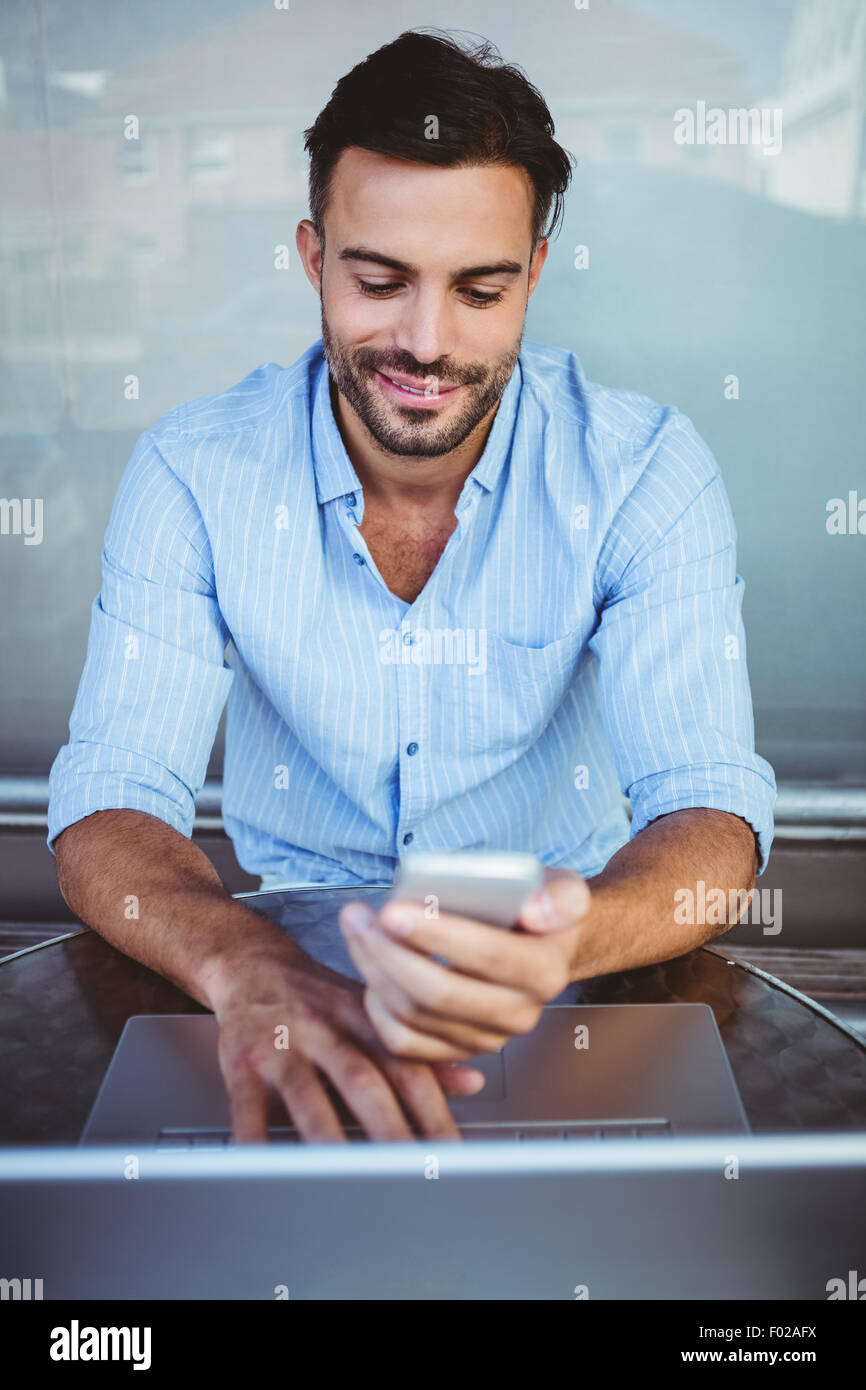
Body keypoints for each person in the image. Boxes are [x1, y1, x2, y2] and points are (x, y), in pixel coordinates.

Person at [48, 30, 776, 1143]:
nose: (424, 344)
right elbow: (108, 804)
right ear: (312, 258)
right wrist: (243, 963)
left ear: (533, 272)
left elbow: (710, 814)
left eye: (479, 290)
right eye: (378, 280)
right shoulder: (192, 472)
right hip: (268, 979)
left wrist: (564, 940)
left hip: (572, 988)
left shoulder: (643, 472)